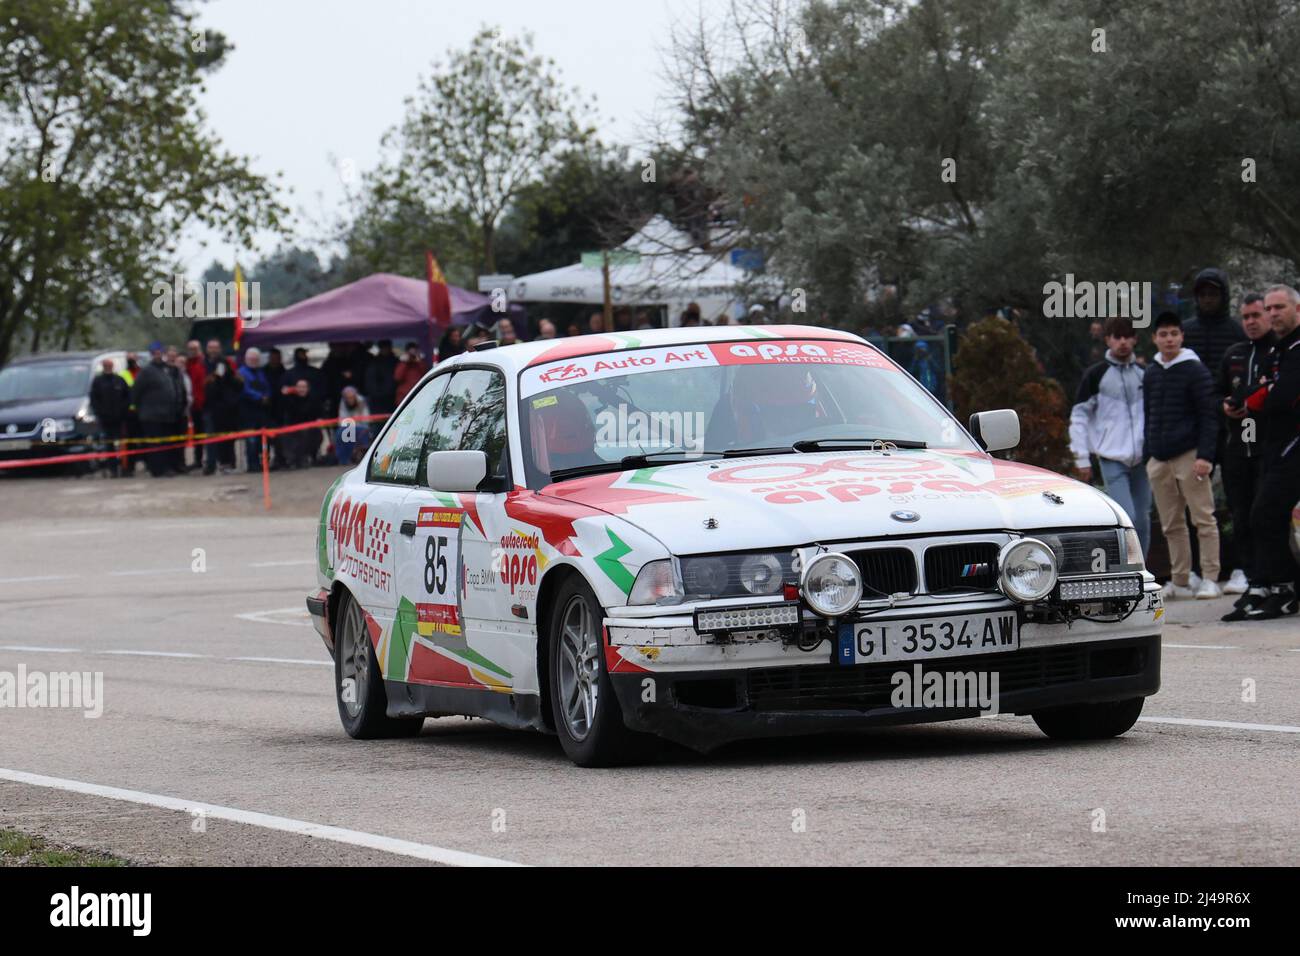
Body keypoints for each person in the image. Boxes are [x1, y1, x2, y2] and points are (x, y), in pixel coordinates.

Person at [1144, 312, 1220, 599]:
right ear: (1154, 338)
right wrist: (1148, 453)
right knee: (1171, 524)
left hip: (1190, 455)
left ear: (1182, 336)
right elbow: (1147, 413)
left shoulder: (1195, 370)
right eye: (1163, 334)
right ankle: (1180, 580)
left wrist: (1205, 455)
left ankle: (1211, 577)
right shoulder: (1151, 372)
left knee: (1204, 518)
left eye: (1174, 333)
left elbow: (1208, 415)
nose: (1169, 339)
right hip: (1158, 458)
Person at [1238, 284, 1300, 619]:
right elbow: (1253, 391)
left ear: (1297, 310)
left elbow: (1279, 398)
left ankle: (1284, 589)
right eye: (1270, 308)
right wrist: (1262, 392)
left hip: (1293, 445)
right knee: (1261, 515)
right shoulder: (1280, 349)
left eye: (1280, 307)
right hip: (1272, 444)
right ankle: (1272, 586)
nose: (1273, 313)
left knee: (1265, 514)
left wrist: (1262, 394)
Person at [1217, 293, 1277, 616]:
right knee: (1240, 517)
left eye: (1257, 315)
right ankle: (1253, 579)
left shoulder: (1278, 351)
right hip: (1239, 448)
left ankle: (1272, 582)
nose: (1252, 322)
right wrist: (1226, 406)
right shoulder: (1234, 354)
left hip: (1268, 448)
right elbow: (1217, 393)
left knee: (1263, 515)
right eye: (1246, 317)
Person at [1070, 317, 1150, 555]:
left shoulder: (1145, 373)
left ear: (1135, 339)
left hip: (1143, 457)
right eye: (1117, 337)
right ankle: (1127, 571)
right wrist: (1081, 458)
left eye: (1127, 336)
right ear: (1108, 340)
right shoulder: (1096, 375)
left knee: (1144, 520)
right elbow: (1079, 416)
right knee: (1128, 517)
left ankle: (1142, 572)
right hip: (1111, 457)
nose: (1123, 342)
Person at [1183, 268, 1247, 381]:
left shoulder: (1238, 331)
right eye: (1202, 295)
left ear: (1223, 296)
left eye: (1213, 294)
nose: (1207, 300)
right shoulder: (1184, 331)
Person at [131, 343, 182, 478]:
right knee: (155, 444)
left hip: (167, 415)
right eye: (155, 353)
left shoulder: (167, 369)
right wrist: (141, 408)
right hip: (151, 415)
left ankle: (167, 467)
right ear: (152, 354)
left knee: (166, 443)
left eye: (160, 352)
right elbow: (136, 392)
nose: (158, 355)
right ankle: (157, 470)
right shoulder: (146, 371)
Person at [202, 340, 240, 475]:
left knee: (228, 437)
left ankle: (228, 463)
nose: (213, 350)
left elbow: (235, 382)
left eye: (216, 347)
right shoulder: (202, 364)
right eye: (211, 347)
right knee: (211, 437)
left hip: (227, 407)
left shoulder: (227, 363)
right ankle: (211, 465)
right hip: (208, 405)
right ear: (207, 349)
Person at [89, 358, 130, 477]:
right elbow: (94, 400)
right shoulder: (98, 382)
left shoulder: (120, 380)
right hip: (105, 420)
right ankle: (112, 468)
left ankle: (123, 467)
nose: (108, 367)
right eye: (106, 365)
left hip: (120, 419)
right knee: (108, 445)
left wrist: (123, 411)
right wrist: (100, 413)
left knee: (122, 444)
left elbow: (127, 397)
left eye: (110, 365)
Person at [236, 347, 271, 472]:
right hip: (247, 411)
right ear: (246, 359)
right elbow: (244, 390)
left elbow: (266, 386)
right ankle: (252, 464)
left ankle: (264, 462)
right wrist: (260, 397)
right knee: (251, 440)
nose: (254, 361)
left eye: (256, 359)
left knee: (263, 439)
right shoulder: (241, 373)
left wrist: (267, 396)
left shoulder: (261, 372)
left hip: (261, 411)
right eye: (251, 358)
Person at [335, 386, 373, 465]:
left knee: (357, 432)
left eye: (351, 397)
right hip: (348, 426)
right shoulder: (343, 403)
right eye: (348, 398)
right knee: (340, 433)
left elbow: (366, 419)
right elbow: (342, 419)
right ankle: (343, 459)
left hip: (361, 426)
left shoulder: (361, 401)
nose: (350, 399)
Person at [364, 340, 398, 415]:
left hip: (392, 398)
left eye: (386, 347)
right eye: (383, 348)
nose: (385, 350)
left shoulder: (395, 361)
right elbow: (370, 382)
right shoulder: (374, 362)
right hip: (377, 399)